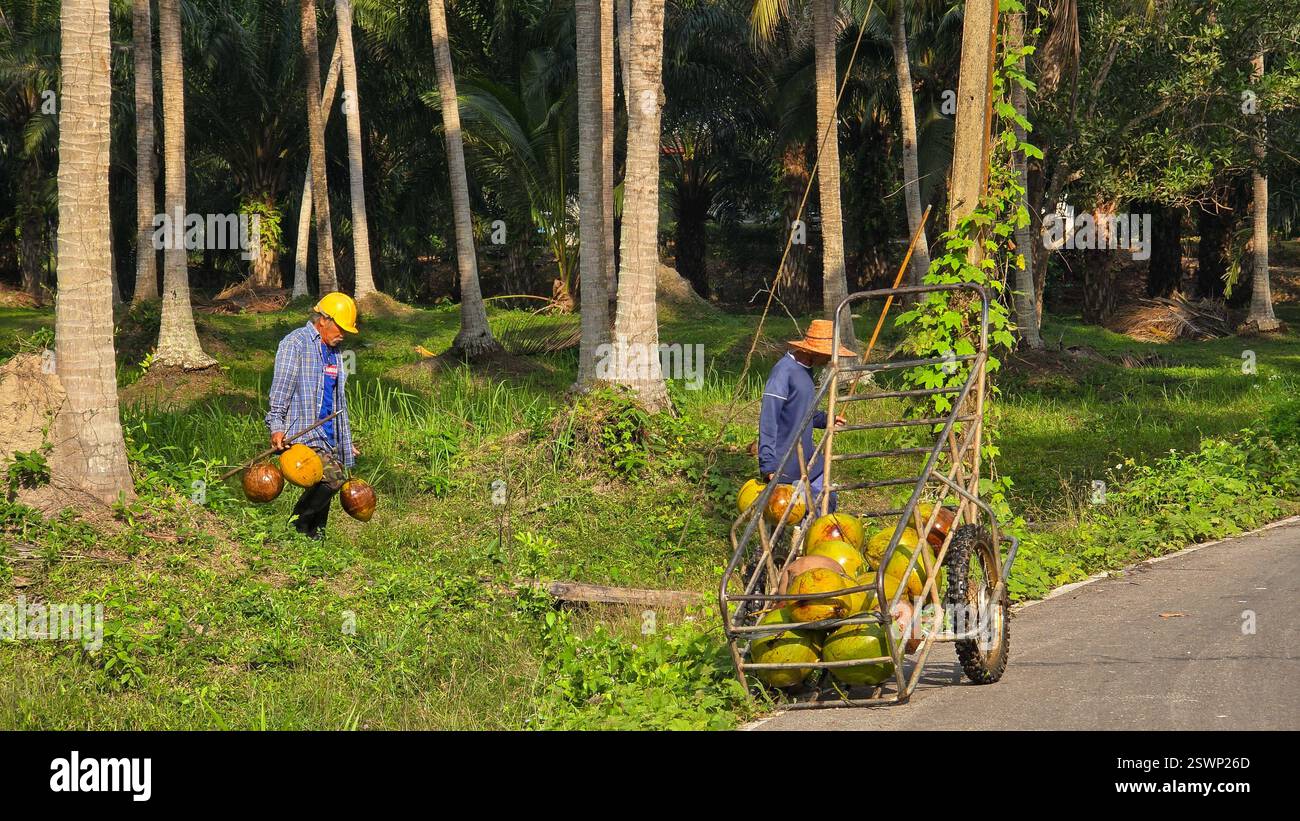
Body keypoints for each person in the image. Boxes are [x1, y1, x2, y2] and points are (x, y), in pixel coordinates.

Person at [266, 292, 360, 539]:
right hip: (302, 433)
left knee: (329, 479)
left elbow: (338, 401)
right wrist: (276, 427)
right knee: (333, 477)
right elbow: (280, 389)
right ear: (324, 320)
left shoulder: (335, 353)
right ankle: (297, 525)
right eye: (341, 328)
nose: (343, 335)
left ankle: (313, 535)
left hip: (328, 435)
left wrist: (345, 441)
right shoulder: (295, 343)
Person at [758, 319, 853, 513]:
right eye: (826, 355)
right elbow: (769, 419)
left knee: (827, 499)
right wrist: (768, 465)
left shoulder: (805, 371)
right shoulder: (783, 373)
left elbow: (803, 411)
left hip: (808, 459)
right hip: (785, 461)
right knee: (790, 515)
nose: (828, 360)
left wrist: (827, 419)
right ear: (812, 351)